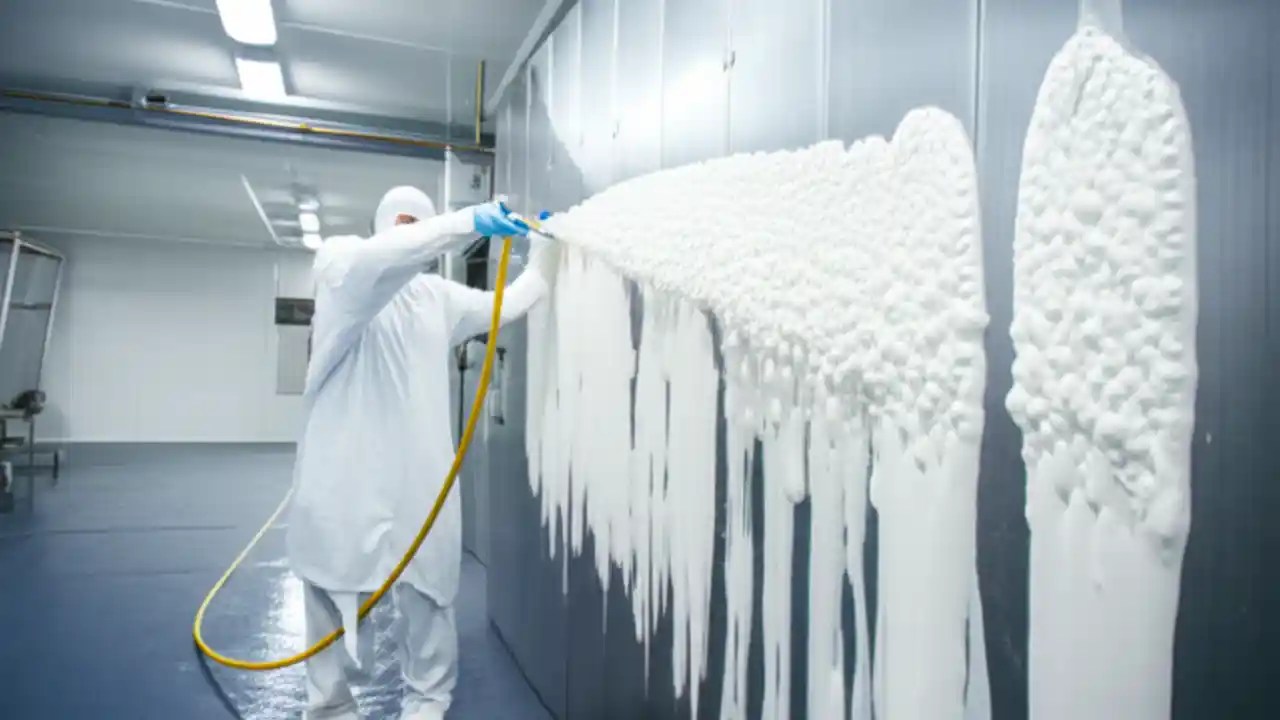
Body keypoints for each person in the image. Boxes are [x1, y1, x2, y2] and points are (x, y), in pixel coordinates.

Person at [287, 186, 557, 720]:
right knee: (329, 585)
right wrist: (468, 221)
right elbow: (382, 258)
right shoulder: (343, 267)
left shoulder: (437, 298)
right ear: (383, 225)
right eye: (402, 222)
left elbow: (509, 303)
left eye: (418, 223)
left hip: (420, 478)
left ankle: (428, 703)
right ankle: (330, 707)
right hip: (345, 475)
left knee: (428, 594)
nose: (409, 232)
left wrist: (545, 255)